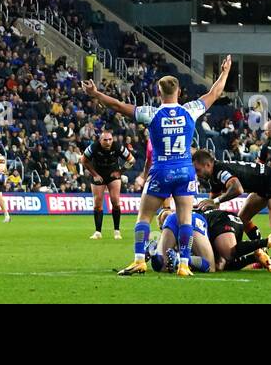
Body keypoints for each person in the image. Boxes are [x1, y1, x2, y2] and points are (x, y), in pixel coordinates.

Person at [82, 54, 232, 277]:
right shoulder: (190, 110)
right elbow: (215, 93)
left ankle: (139, 260)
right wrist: (225, 72)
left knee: (144, 217)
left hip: (161, 171)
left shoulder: (151, 113)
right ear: (179, 92)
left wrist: (95, 93)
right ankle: (183, 264)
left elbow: (118, 105)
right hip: (185, 171)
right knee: (185, 220)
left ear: (158, 93)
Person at [82, 129, 134, 239]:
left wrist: (120, 172)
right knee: (97, 203)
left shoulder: (118, 147)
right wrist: (94, 174)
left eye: (110, 139)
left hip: (112, 175)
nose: (108, 142)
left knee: (115, 200)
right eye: (105, 140)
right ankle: (98, 232)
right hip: (98, 174)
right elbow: (84, 160)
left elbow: (131, 160)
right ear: (100, 140)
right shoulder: (93, 147)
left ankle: (116, 231)